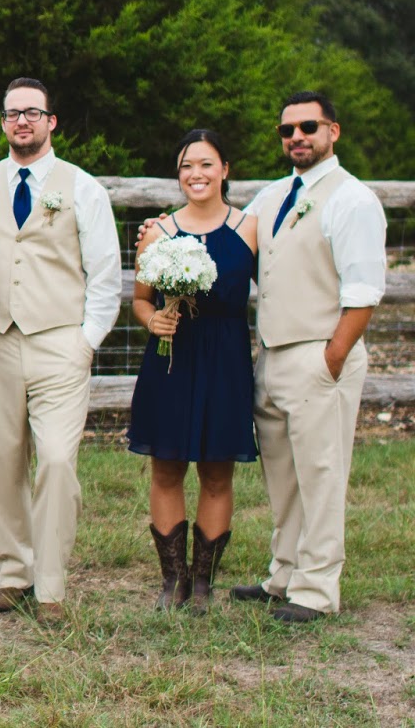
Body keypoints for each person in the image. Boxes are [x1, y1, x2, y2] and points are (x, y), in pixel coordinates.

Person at [0, 78, 121, 622]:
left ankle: (51, 586)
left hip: (60, 343)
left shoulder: (84, 188)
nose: (21, 122)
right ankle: (13, 572)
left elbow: (105, 273)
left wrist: (86, 341)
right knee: (3, 461)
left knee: (55, 459)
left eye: (32, 113)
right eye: (11, 114)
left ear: (52, 121)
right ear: (3, 123)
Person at [231, 92, 386, 623]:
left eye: (307, 127)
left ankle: (318, 589)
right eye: (287, 130)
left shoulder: (352, 199)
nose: (296, 137)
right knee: (283, 474)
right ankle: (284, 573)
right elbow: (233, 249)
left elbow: (363, 291)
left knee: (321, 473)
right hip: (272, 354)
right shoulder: (271, 196)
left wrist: (333, 358)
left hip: (320, 353)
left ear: (332, 132)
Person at [127, 130, 258, 614]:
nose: (195, 174)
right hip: (171, 358)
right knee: (166, 467)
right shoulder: (158, 232)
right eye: (186, 166)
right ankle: (172, 580)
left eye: (206, 164)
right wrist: (153, 319)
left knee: (218, 471)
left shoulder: (251, 228)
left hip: (225, 358)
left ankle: (203, 584)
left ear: (225, 169)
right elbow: (141, 300)